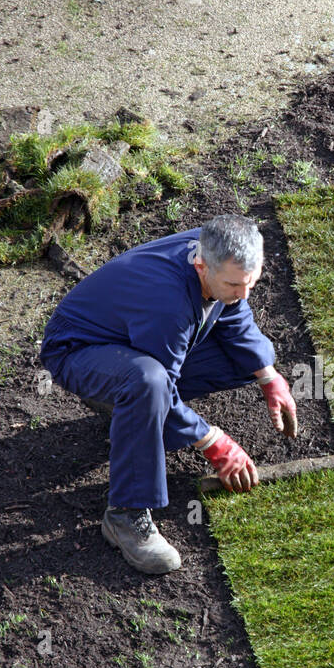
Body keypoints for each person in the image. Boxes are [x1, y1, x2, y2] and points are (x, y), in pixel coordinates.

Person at [38, 214, 298, 575]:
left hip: (132, 341)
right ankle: (125, 515)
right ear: (201, 265)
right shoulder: (168, 302)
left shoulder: (218, 251)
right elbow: (163, 385)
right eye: (234, 284)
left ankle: (133, 413)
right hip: (79, 352)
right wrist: (214, 442)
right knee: (149, 383)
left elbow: (233, 314)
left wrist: (270, 378)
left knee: (247, 360)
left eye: (250, 283)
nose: (243, 294)